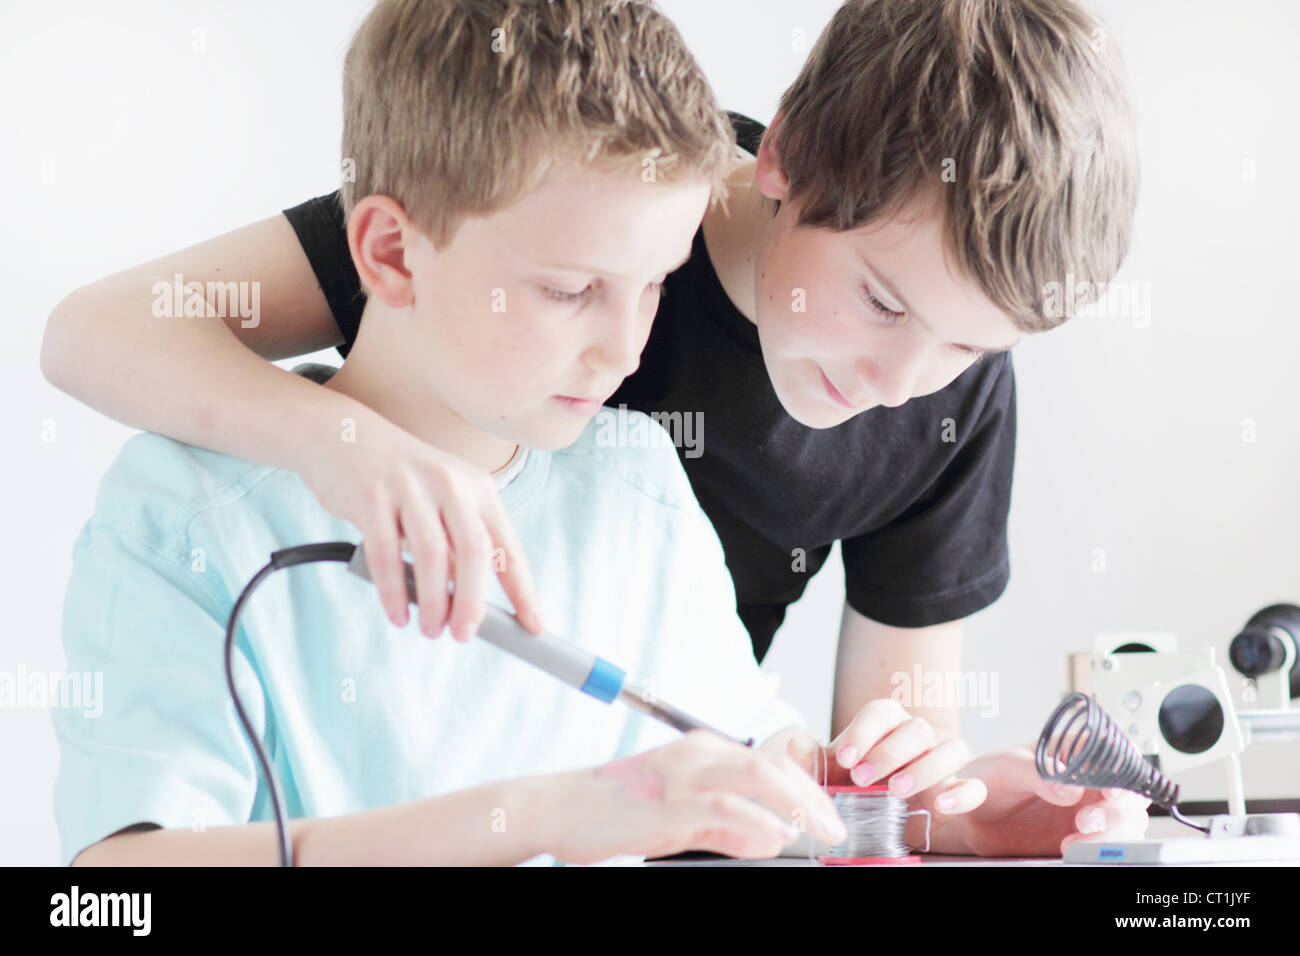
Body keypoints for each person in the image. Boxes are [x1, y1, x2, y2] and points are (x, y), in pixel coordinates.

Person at [44, 0, 1152, 857]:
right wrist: (351, 453)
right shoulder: (580, 179)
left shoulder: (634, 476)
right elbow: (100, 330)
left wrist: (937, 813)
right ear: (782, 162)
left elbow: (811, 775)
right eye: (884, 303)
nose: (900, 383)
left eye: (967, 350)